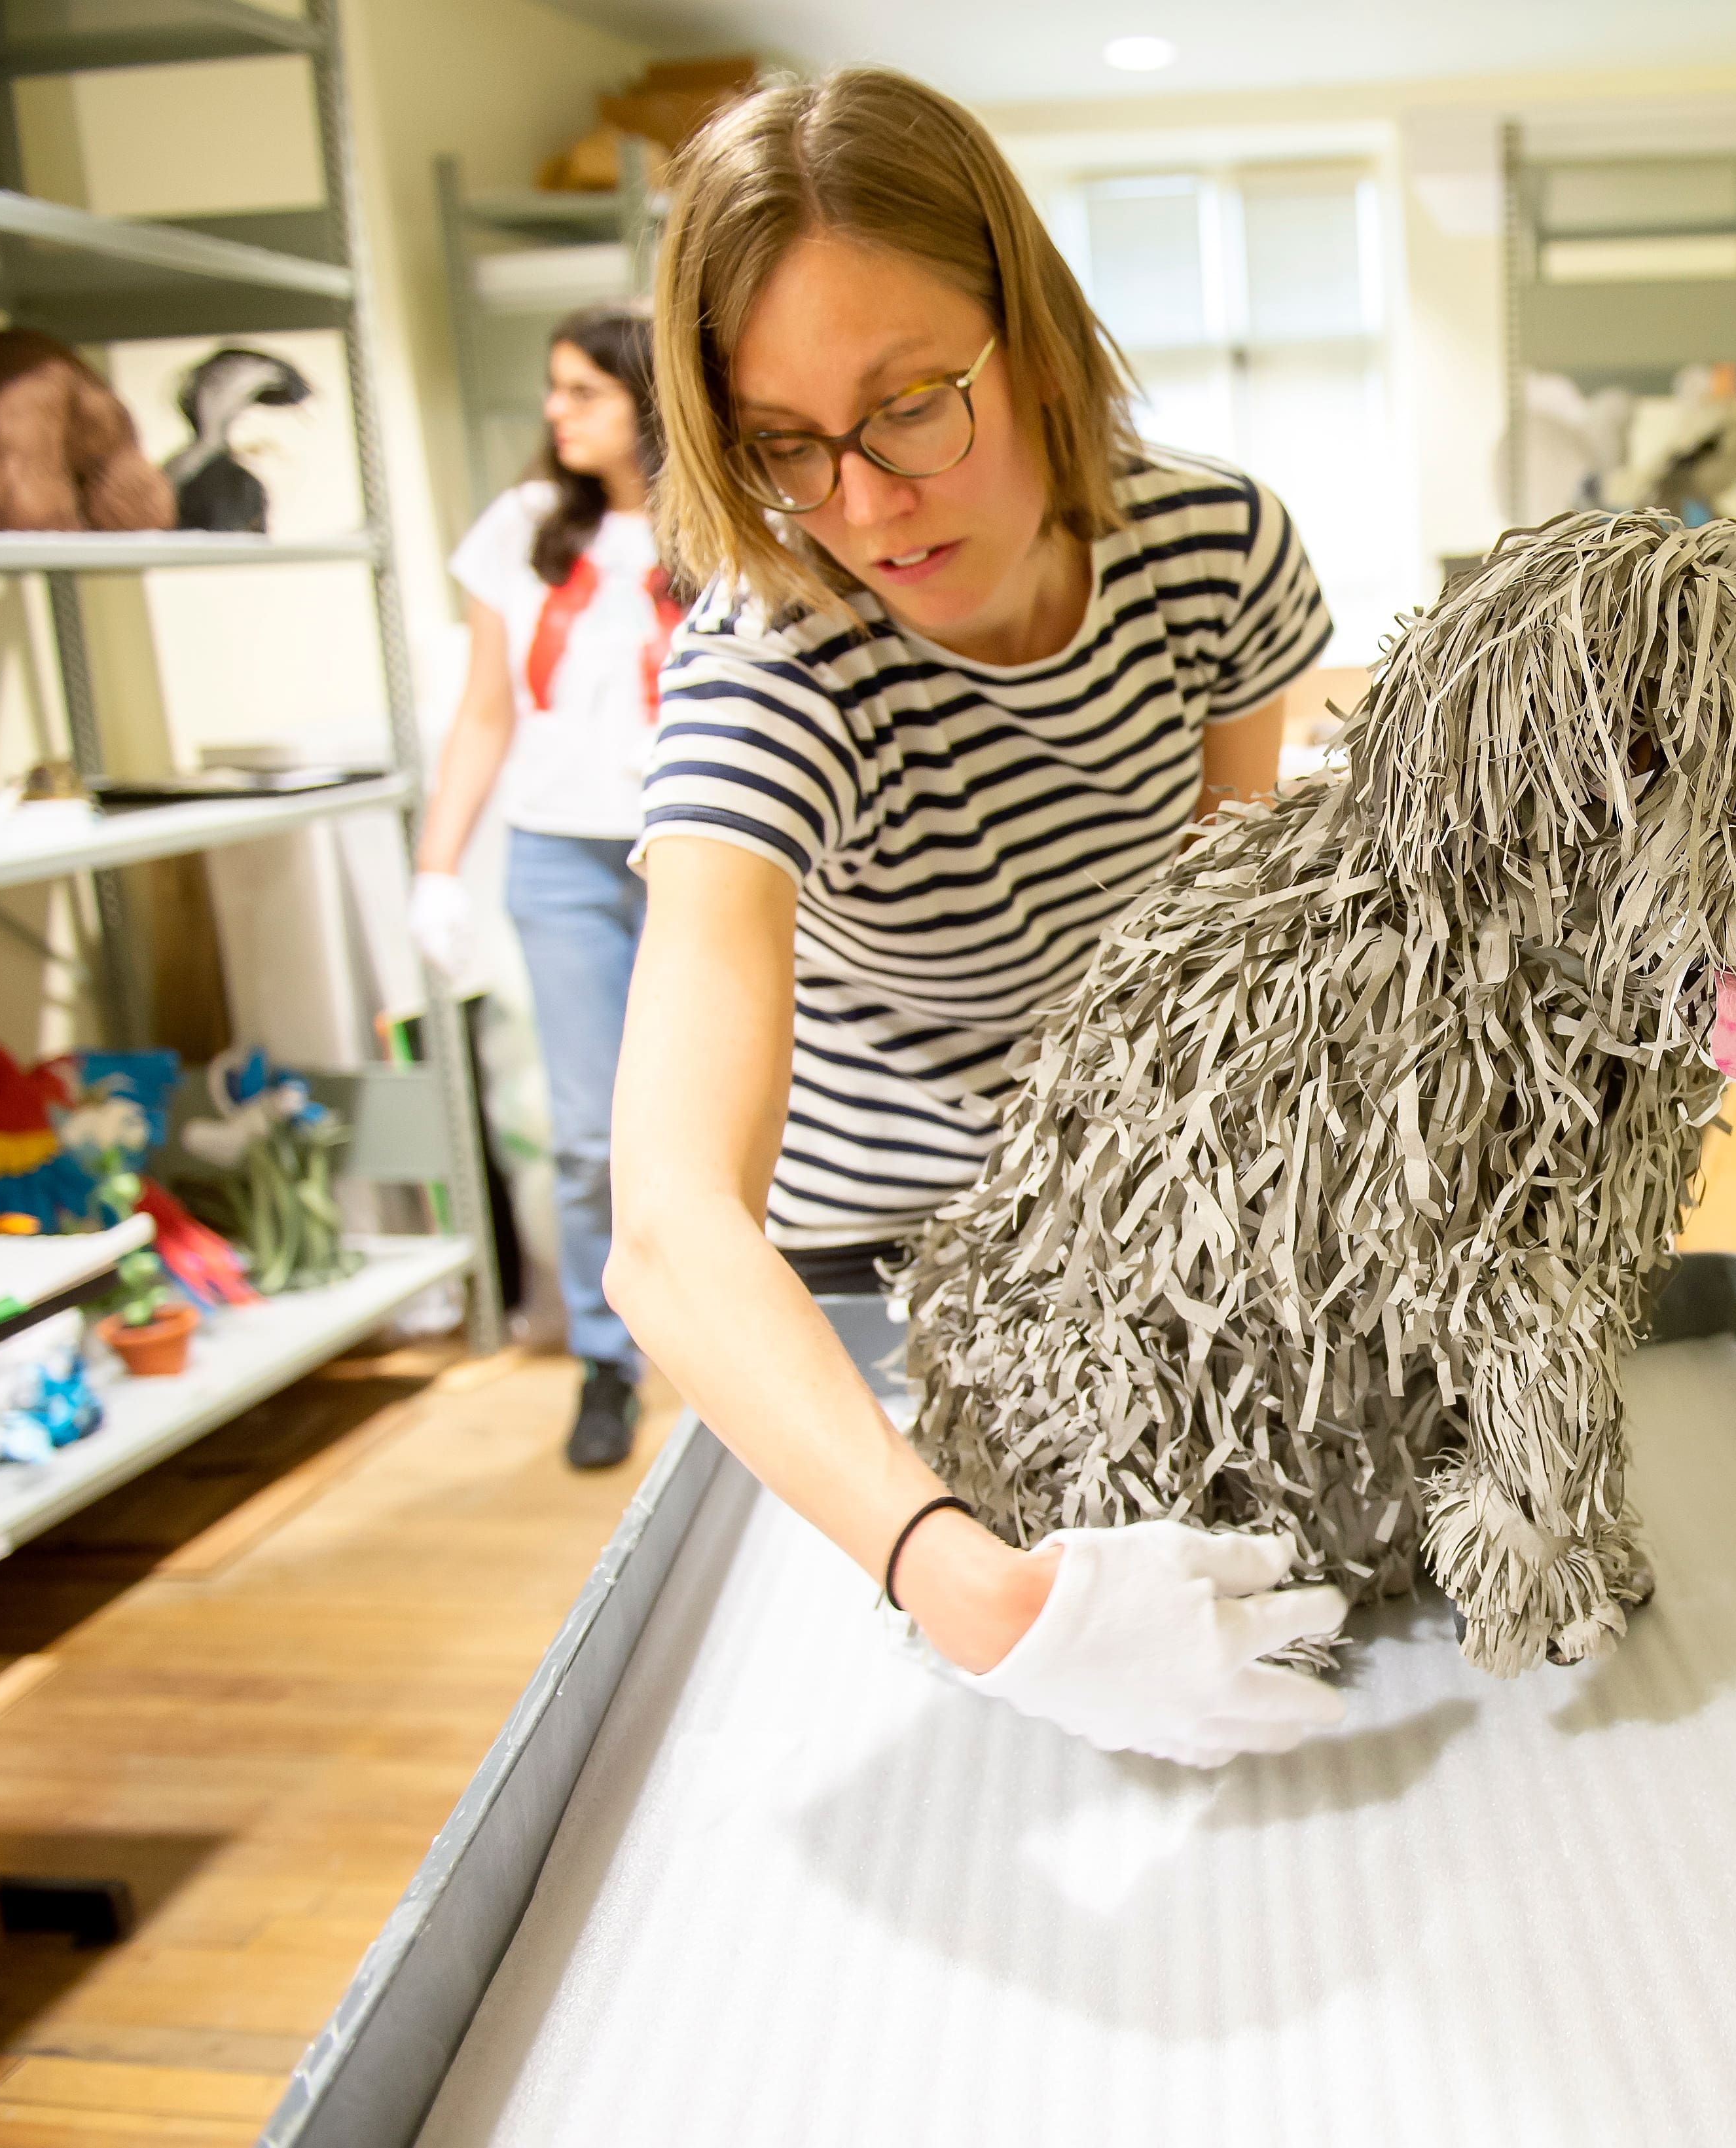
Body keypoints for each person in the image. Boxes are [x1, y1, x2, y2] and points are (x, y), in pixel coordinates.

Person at [607, 69, 1352, 1766]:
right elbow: (665, 1228)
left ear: (1035, 333)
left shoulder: (1211, 552)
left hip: (1136, 1205)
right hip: (881, 1273)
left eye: (914, 403)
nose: (867, 507)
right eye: (784, 446)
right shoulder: (769, 670)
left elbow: (1218, 948)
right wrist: (966, 1582)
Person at [408, 303, 683, 1470]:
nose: (557, 413)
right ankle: (605, 1363)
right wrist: (434, 864)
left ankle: (764, 1351)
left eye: (586, 392)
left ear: (647, 400)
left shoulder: (712, 517)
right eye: (553, 389)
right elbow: (483, 711)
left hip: (693, 852)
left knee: (743, 1115)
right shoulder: (518, 531)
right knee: (586, 1135)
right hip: (561, 859)